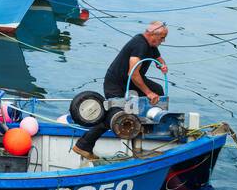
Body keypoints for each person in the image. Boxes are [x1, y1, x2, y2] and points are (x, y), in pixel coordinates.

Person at [72, 21, 169, 161]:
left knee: (158, 90)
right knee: (115, 115)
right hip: (116, 84)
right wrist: (148, 93)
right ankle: (84, 145)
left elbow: (158, 58)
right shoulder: (140, 44)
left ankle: (148, 126)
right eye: (162, 38)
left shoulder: (150, 44)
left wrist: (162, 65)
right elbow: (133, 73)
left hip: (130, 83)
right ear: (153, 34)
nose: (163, 41)